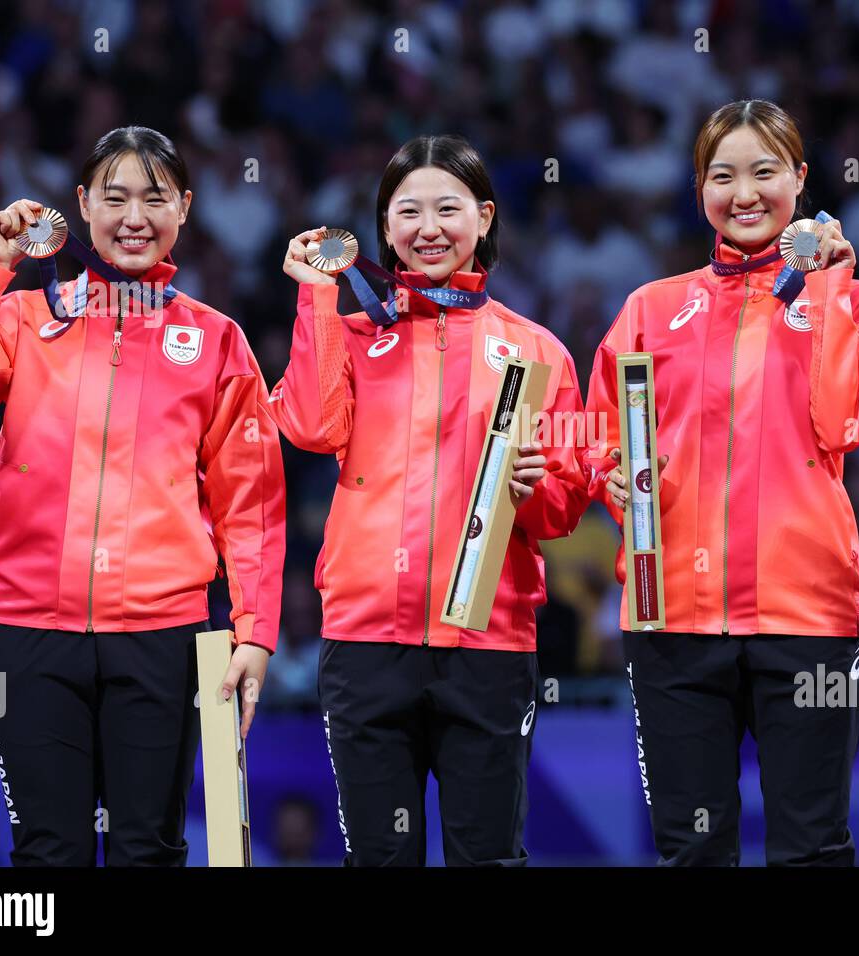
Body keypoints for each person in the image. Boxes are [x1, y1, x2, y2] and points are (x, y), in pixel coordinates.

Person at [0, 126, 286, 866]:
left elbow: (252, 504)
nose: (134, 216)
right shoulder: (23, 317)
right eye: (114, 197)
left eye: (155, 198)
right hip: (26, 627)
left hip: (163, 632)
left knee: (149, 850)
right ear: (81, 206)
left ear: (185, 209)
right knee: (49, 854)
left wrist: (255, 631)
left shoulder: (216, 341)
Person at [582, 100, 859, 865]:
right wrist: (606, 475)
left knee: (812, 846)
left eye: (764, 171)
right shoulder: (651, 309)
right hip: (671, 620)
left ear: (801, 179)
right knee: (691, 850)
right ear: (699, 191)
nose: (744, 193)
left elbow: (846, 421)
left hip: (807, 613)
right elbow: (596, 432)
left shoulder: (853, 301)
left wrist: (823, 282)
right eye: (723, 176)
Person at [270, 134, 588, 866]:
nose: (428, 228)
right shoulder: (349, 336)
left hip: (489, 642)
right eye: (407, 212)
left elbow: (564, 508)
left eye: (449, 208)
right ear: (385, 229)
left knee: (489, 858)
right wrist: (317, 295)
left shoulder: (539, 350)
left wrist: (538, 487)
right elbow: (313, 428)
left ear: (483, 217)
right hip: (365, 639)